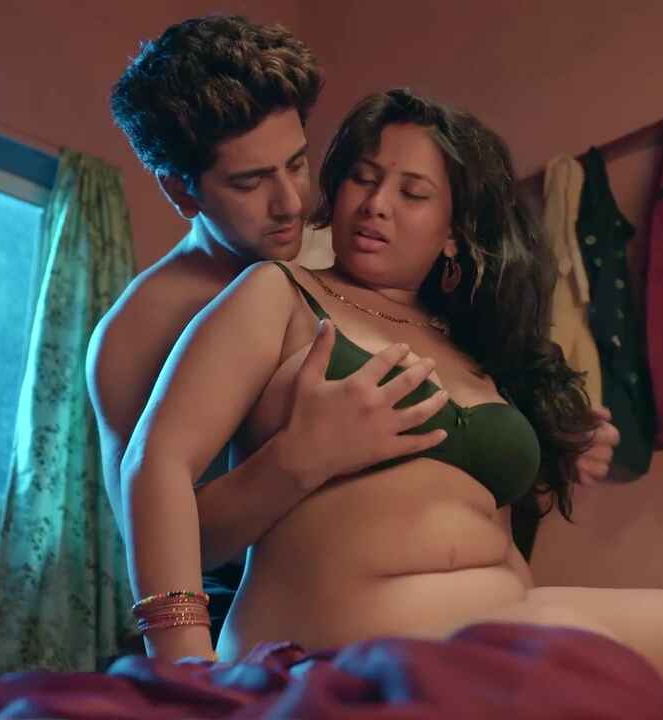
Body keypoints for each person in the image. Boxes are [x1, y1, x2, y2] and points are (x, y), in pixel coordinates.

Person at [124, 88, 663, 712]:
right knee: (573, 653)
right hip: (342, 649)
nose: (375, 204)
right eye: (363, 179)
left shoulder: (474, 347)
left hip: (509, 621)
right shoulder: (277, 295)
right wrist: (190, 675)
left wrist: (554, 457)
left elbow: (461, 518)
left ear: (455, 231)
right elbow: (155, 469)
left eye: (412, 193)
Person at [89, 16, 620, 663]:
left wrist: (550, 443)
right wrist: (298, 460)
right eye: (251, 182)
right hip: (263, 634)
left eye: (297, 163)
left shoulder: (349, 252)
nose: (291, 202)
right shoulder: (139, 331)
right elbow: (156, 545)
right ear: (181, 191)